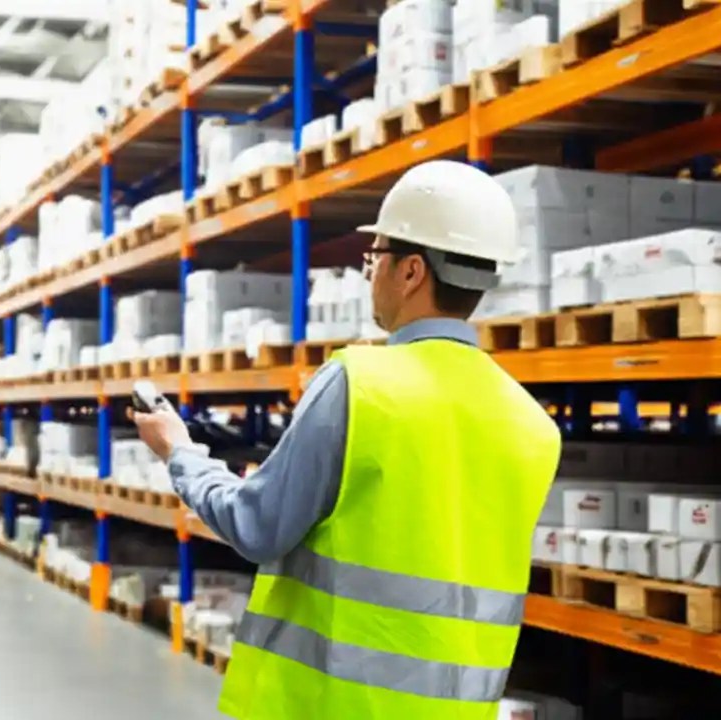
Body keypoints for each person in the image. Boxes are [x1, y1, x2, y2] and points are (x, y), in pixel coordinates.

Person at [133, 160, 561, 719]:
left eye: (374, 256)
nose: (369, 272)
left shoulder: (359, 385)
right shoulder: (532, 425)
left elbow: (258, 525)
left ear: (411, 271)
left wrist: (180, 452)